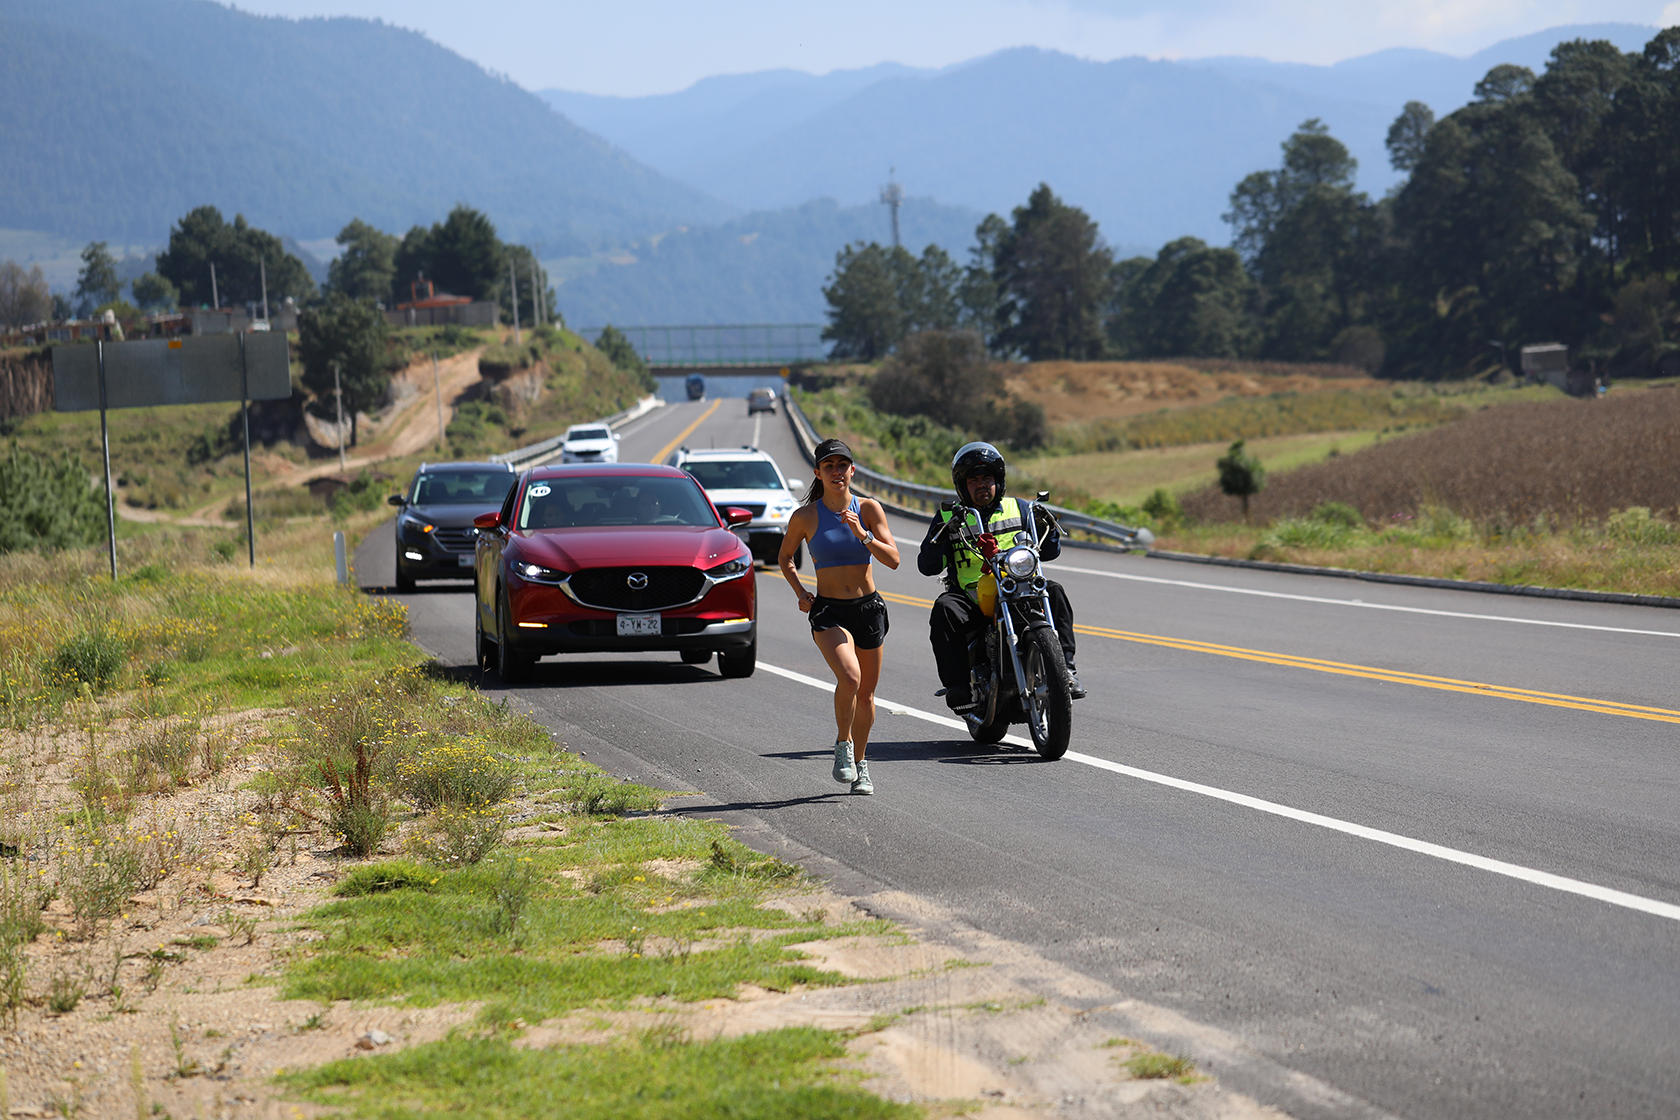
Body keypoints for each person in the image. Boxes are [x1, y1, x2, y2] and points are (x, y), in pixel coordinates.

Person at [917, 441, 1083, 713]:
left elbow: (1050, 552)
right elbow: (927, 566)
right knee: (944, 608)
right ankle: (958, 685)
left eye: (987, 478)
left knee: (1054, 591)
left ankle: (1066, 671)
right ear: (962, 486)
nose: (981, 485)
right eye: (973, 480)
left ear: (999, 481)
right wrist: (942, 535)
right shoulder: (948, 515)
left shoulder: (1020, 508)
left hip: (1020, 589)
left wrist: (1047, 526)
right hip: (972, 598)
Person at [778, 438, 900, 795]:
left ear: (852, 470)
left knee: (867, 695)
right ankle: (843, 744)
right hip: (830, 611)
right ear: (818, 473)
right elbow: (785, 557)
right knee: (850, 677)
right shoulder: (805, 516)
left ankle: (861, 766)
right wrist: (800, 592)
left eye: (842, 465)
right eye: (828, 466)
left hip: (868, 610)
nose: (836, 472)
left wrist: (863, 535)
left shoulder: (869, 509)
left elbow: (893, 560)